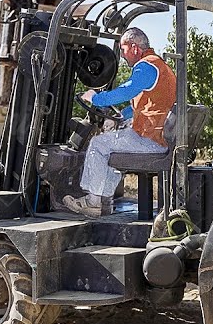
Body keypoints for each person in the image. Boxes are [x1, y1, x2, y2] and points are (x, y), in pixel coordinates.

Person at [64, 27, 175, 218]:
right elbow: (143, 104)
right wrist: (121, 117)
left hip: (151, 139)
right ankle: (103, 203)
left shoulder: (146, 66)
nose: (122, 56)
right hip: (158, 136)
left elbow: (126, 91)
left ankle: (93, 202)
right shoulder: (160, 66)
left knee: (98, 144)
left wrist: (96, 98)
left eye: (123, 50)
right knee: (109, 145)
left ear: (134, 47)